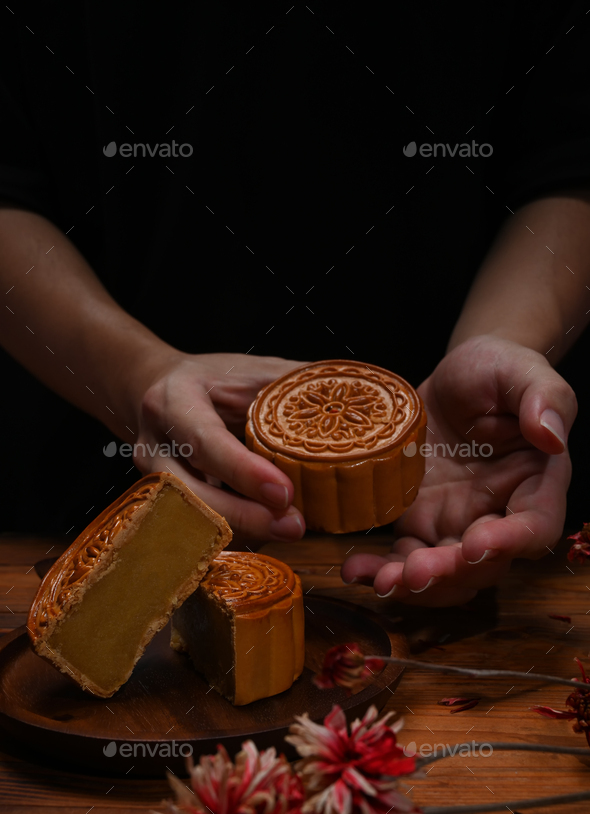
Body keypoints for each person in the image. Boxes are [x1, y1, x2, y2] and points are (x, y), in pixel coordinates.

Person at [0, 3, 588, 606]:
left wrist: (504, 349)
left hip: (476, 477)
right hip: (80, 494)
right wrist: (133, 374)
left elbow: (567, 158)